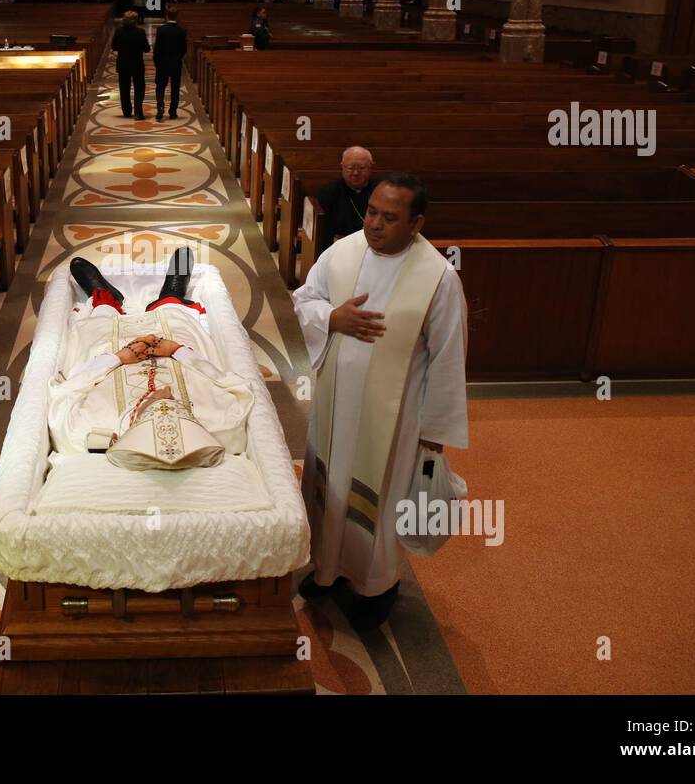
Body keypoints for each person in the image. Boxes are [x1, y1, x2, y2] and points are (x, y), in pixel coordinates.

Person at [291, 173, 468, 631]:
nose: (374, 224)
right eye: (371, 212)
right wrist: (331, 317)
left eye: (390, 218)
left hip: (395, 420)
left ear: (416, 223)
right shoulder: (344, 250)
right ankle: (327, 571)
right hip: (335, 406)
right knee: (329, 490)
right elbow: (304, 297)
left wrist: (433, 435)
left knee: (378, 502)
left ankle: (375, 588)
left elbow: (450, 356)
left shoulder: (439, 278)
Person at [49, 248, 254, 462]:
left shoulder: (91, 426)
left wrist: (117, 358)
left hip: (114, 359)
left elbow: (66, 390)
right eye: (172, 402)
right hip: (174, 354)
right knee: (178, 323)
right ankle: (172, 293)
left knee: (97, 332)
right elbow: (231, 383)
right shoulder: (219, 423)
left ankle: (103, 298)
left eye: (156, 402)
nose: (165, 392)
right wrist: (177, 350)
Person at [314, 146, 376, 243]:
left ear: (371, 167)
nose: (356, 173)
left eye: (362, 168)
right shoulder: (329, 194)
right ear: (342, 167)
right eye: (350, 168)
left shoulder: (379, 192)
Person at [111, 9, 150, 120]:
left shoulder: (119, 31)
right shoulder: (140, 32)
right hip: (137, 64)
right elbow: (147, 49)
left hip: (123, 63)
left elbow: (113, 46)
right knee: (139, 88)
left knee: (124, 88)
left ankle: (127, 111)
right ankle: (138, 112)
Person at [153, 6, 187, 122]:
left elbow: (157, 48)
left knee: (160, 86)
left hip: (162, 62)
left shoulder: (161, 30)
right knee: (175, 88)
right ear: (177, 16)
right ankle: (173, 111)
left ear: (167, 15)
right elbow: (184, 49)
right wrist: (178, 58)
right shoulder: (182, 31)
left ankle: (160, 107)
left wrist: (156, 62)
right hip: (176, 63)